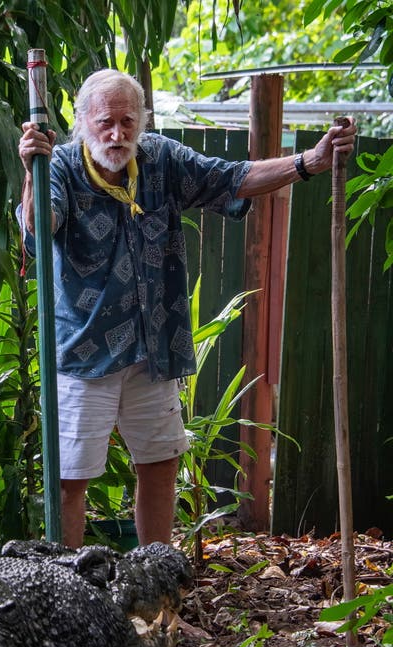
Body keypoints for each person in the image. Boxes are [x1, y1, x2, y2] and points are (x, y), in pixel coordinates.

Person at [18, 68, 356, 550]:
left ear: (142, 122)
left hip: (153, 350)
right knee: (71, 481)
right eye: (105, 122)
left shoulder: (160, 160)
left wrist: (308, 162)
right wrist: (32, 172)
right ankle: (72, 598)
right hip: (84, 355)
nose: (117, 134)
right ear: (82, 123)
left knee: (159, 467)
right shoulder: (62, 168)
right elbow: (38, 228)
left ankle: (155, 583)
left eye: (127, 122)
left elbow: (234, 178)